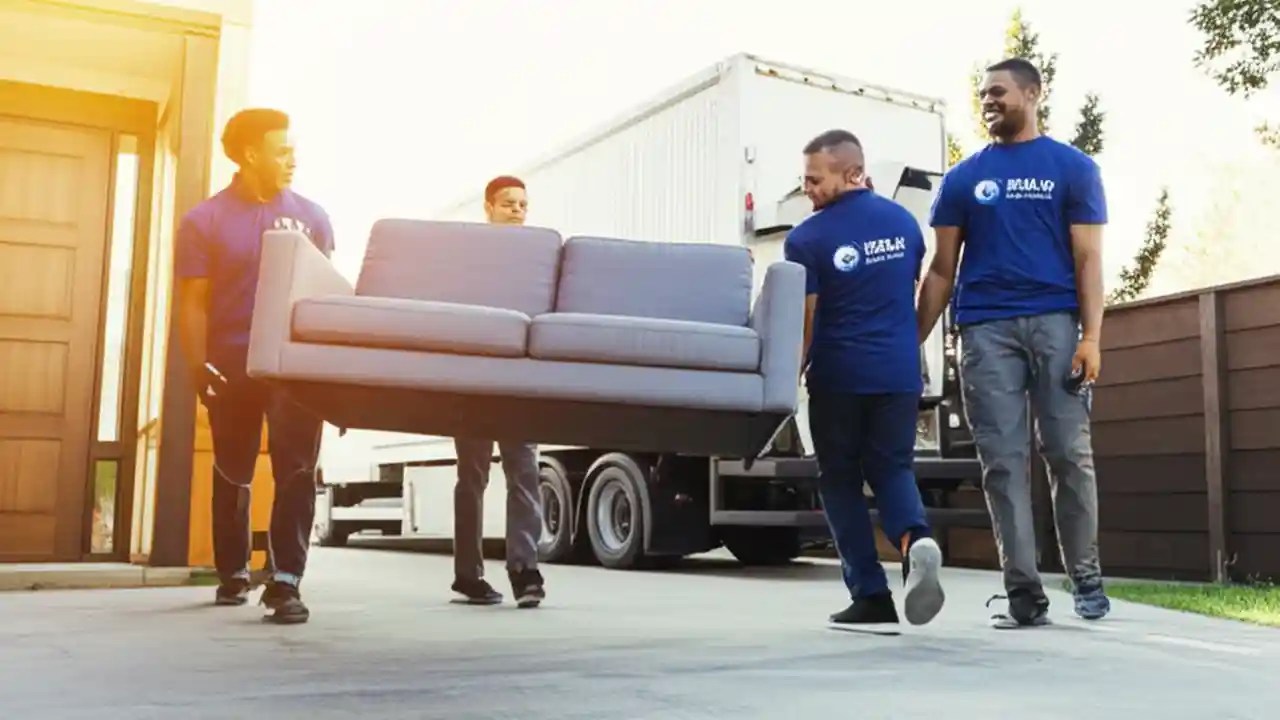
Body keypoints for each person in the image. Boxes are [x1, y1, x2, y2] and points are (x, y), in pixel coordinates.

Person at [916, 57, 1111, 629]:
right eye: (982, 94)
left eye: (998, 91)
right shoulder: (962, 178)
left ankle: (1087, 578)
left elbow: (1089, 257)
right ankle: (1024, 593)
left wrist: (1092, 337)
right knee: (1002, 465)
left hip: (1055, 325)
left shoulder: (1073, 168)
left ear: (1033, 93)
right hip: (984, 331)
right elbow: (941, 271)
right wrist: (912, 343)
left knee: (1069, 456)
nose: (988, 100)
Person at [175, 108, 334, 625]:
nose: (293, 159)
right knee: (234, 471)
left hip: (293, 368)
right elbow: (194, 301)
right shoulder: (205, 220)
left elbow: (326, 295)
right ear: (249, 154)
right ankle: (233, 571)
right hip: (232, 363)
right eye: (281, 150)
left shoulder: (313, 217)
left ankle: (285, 581)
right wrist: (199, 365)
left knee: (296, 471)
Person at [784, 130, 945, 630]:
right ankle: (915, 540)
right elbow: (912, 291)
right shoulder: (904, 223)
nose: (807, 188)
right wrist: (909, 341)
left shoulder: (806, 238)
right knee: (893, 468)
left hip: (839, 377)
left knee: (840, 482)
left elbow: (806, 319)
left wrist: (788, 377)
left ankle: (871, 596)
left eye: (815, 179)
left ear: (852, 172)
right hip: (898, 374)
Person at [449, 175, 546, 609]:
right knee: (472, 476)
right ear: (488, 207)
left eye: (524, 205)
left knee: (524, 472)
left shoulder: (536, 263)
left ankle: (525, 572)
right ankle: (468, 576)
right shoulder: (468, 260)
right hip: (472, 382)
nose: (518, 211)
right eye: (509, 204)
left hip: (518, 384)